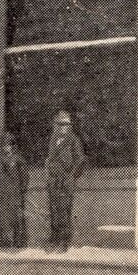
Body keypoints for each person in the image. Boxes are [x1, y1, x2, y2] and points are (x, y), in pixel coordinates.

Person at [45, 108, 85, 252]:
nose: (63, 127)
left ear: (70, 126)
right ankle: (54, 240)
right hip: (53, 180)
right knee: (54, 210)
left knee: (64, 211)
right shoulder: (53, 139)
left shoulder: (74, 140)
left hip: (66, 180)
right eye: (60, 124)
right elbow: (50, 158)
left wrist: (71, 177)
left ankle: (64, 242)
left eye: (66, 125)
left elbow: (80, 160)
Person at [0, 132, 30, 249]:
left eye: (9, 144)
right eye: (4, 145)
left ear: (13, 146)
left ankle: (19, 243)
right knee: (1, 219)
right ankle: (2, 243)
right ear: (1, 146)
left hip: (15, 194)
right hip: (0, 194)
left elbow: (25, 176)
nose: (7, 147)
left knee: (17, 218)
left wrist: (23, 190)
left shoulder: (18, 160)